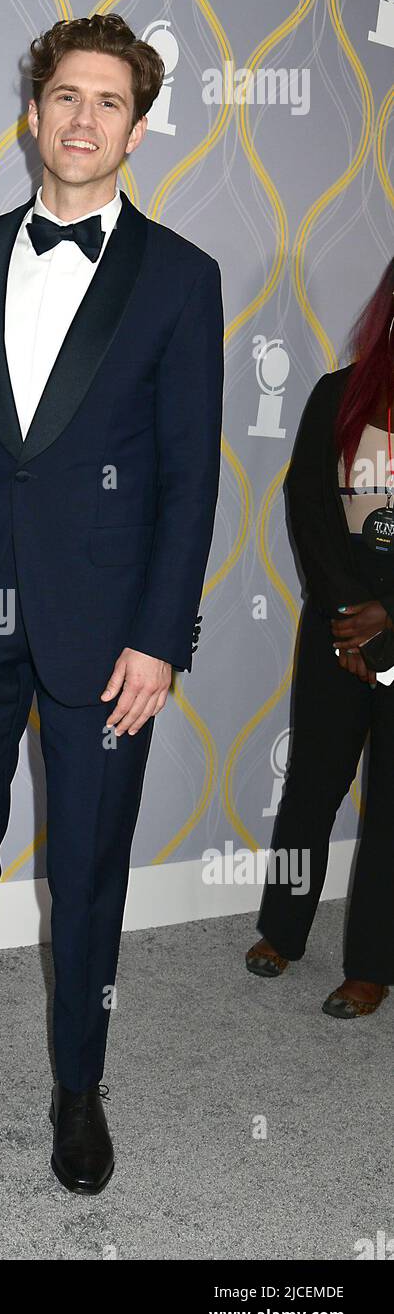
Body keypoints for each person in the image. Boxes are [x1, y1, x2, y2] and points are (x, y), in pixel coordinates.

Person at [0, 14, 224, 1194]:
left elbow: (188, 471)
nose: (80, 120)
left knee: (89, 864)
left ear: (137, 124)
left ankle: (78, 1085)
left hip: (106, 635)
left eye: (107, 103)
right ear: (31, 111)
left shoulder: (178, 277)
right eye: (63, 96)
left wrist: (159, 638)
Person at [247, 260, 394, 1019]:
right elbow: (307, 500)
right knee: (312, 783)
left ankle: (371, 966)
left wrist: (389, 619)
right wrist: (350, 611)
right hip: (339, 626)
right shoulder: (339, 393)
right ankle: (283, 930)